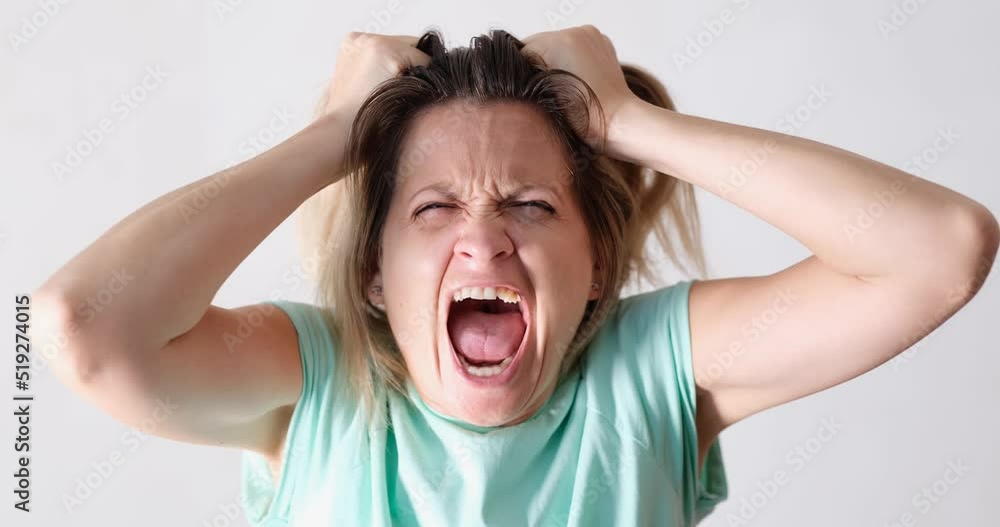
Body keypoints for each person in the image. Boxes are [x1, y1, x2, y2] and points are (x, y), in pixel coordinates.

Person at [33, 26, 998, 526]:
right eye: (433, 208)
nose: (484, 242)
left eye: (531, 206)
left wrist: (624, 121)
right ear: (374, 271)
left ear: (599, 268)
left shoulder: (649, 371)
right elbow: (78, 326)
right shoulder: (315, 379)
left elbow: (941, 249)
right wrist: (334, 134)